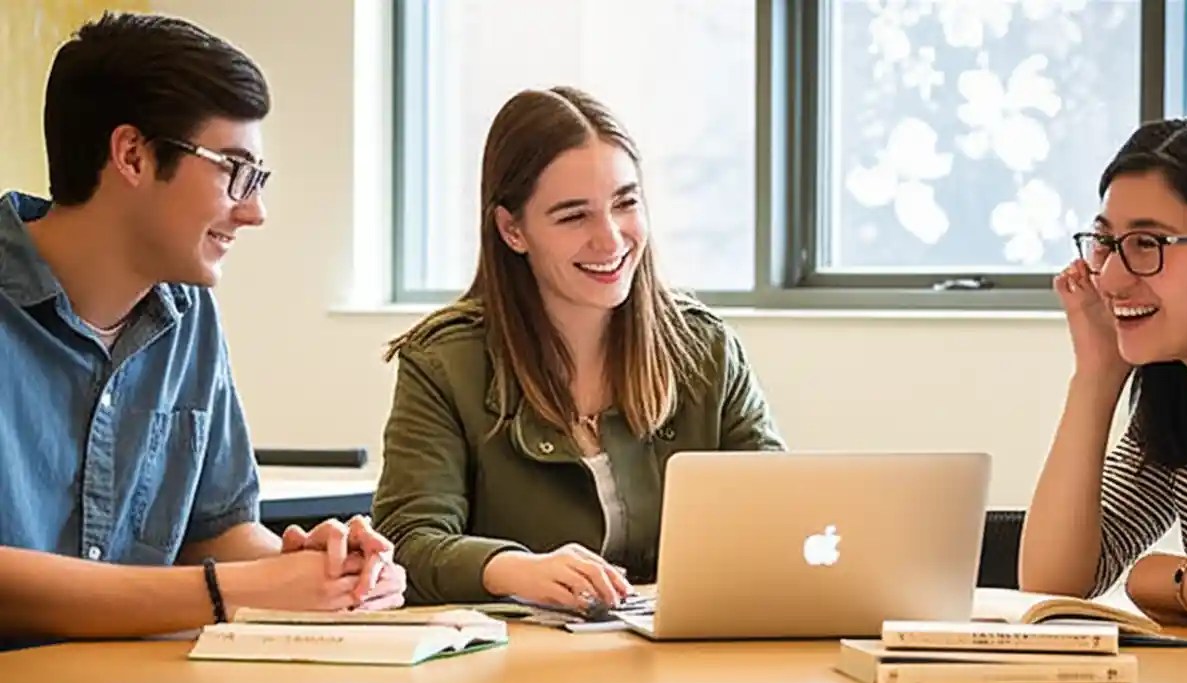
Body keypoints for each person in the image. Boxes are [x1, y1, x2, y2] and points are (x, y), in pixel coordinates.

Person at [0, 11, 406, 646]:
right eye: (235, 171)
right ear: (132, 154)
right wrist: (229, 592)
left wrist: (310, 571)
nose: (255, 211)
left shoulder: (188, 315)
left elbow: (213, 533)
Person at [373, 86, 785, 610]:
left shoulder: (705, 349)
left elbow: (778, 512)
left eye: (625, 203)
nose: (610, 239)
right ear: (512, 229)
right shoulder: (445, 363)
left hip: (680, 656)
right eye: (574, 216)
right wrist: (513, 569)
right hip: (517, 672)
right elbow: (407, 544)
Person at [1020, 115, 1187, 634]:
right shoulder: (1182, 397)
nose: (1112, 279)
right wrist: (1096, 375)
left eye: (1147, 244)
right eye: (1105, 243)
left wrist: (1166, 579)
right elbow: (1052, 586)